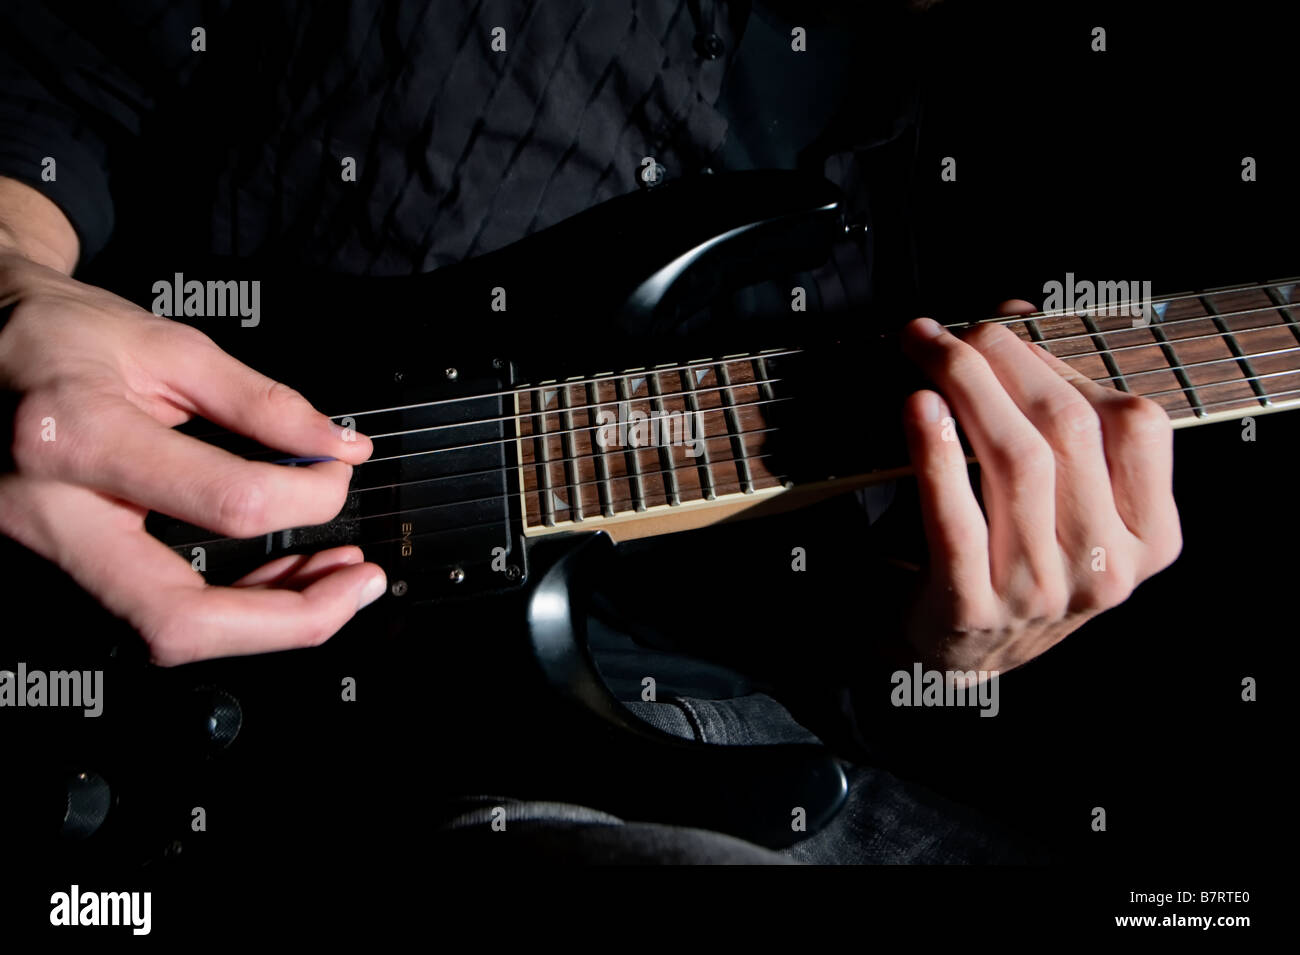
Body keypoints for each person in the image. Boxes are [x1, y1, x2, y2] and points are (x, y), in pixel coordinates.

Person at [0, 0, 1180, 863]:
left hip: (732, 746)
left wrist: (959, 634)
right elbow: (49, 75)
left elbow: (872, 607)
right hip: (294, 743)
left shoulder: (966, 114)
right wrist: (12, 290)